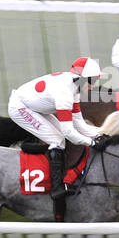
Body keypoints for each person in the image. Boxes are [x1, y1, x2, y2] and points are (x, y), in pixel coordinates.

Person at [8, 57, 103, 199]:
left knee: (59, 139)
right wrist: (92, 142)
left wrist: (102, 133)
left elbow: (80, 125)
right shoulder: (65, 94)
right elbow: (69, 132)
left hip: (34, 107)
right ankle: (57, 187)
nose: (93, 86)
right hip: (20, 107)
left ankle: (55, 173)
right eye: (92, 81)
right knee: (57, 140)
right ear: (81, 79)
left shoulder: (75, 90)